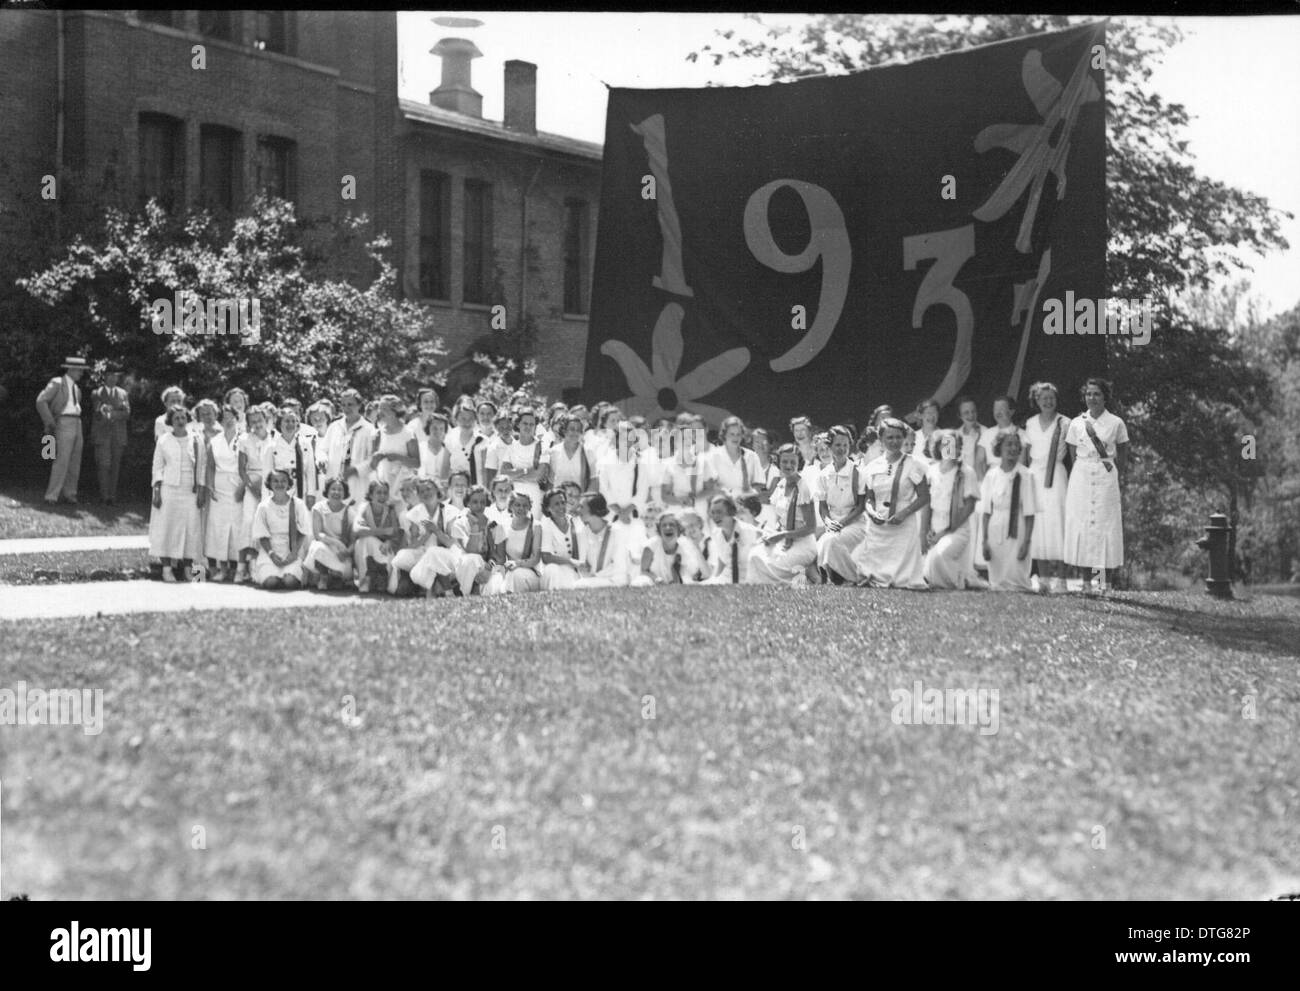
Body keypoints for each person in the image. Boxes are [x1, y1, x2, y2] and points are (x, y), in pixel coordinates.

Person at [1063, 377, 1129, 594]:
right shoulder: (1076, 423)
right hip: (1082, 477)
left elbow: (1123, 454)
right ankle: (1085, 583)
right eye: (1089, 394)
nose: (1092, 398)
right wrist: (1085, 470)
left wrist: (1107, 470)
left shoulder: (1116, 423)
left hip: (1105, 477)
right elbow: (1074, 455)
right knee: (1084, 527)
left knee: (1103, 528)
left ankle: (1102, 584)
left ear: (1105, 397)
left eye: (1097, 394)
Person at [851, 417, 930, 589]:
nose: (895, 442)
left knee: (903, 580)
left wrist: (904, 513)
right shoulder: (872, 466)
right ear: (881, 440)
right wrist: (872, 513)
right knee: (868, 571)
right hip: (878, 525)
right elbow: (869, 499)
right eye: (890, 438)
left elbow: (924, 496)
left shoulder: (914, 464)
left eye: (898, 437)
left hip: (903, 523)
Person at [1022, 381, 1072, 593]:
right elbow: (1025, 457)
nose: (1048, 402)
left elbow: (1072, 455)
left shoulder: (1066, 422)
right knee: (1038, 525)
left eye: (1051, 398)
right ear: (1037, 401)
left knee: (1058, 523)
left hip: (1057, 477)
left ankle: (1061, 579)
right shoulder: (1030, 423)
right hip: (1034, 477)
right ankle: (1042, 578)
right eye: (1043, 399)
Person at [149, 406, 206, 580]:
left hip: (191, 489)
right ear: (170, 422)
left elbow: (202, 466)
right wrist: (157, 491)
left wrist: (201, 489)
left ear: (187, 419)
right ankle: (167, 569)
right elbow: (157, 466)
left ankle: (190, 570)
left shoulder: (197, 439)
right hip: (169, 489)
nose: (180, 421)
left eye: (183, 418)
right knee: (167, 527)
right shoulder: (164, 440)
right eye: (176, 419)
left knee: (191, 529)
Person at [748, 444, 818, 585]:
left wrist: (782, 535)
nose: (788, 466)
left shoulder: (803, 488)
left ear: (799, 464)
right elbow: (780, 521)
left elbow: (811, 528)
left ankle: (805, 576)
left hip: (802, 544)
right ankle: (797, 575)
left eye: (793, 462)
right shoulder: (780, 485)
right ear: (779, 463)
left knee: (773, 566)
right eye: (784, 461)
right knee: (754, 555)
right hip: (783, 540)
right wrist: (772, 535)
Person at [920, 429, 980, 589]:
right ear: (939, 447)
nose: (951, 449)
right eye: (946, 445)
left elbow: (969, 506)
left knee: (938, 557)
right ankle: (950, 581)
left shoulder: (966, 472)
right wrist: (924, 532)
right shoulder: (931, 471)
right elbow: (926, 505)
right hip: (934, 528)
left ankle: (958, 583)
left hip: (957, 529)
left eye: (955, 445)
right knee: (924, 563)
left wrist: (945, 532)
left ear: (960, 448)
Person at [979, 431, 1038, 592]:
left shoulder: (1026, 475)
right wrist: (984, 541)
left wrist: (1026, 542)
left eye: (1015, 445)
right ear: (1000, 448)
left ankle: (1101, 582)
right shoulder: (991, 475)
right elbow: (985, 511)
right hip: (995, 527)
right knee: (997, 583)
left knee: (1017, 578)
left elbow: (1029, 513)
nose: (1012, 448)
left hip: (1017, 527)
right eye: (1008, 444)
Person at [816, 425, 869, 585]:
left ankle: (855, 577)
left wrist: (841, 523)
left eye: (845, 445)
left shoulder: (858, 472)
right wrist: (829, 522)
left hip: (855, 524)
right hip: (833, 524)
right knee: (824, 542)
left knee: (830, 541)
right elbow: (823, 506)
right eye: (838, 445)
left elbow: (860, 507)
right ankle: (841, 577)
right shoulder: (824, 475)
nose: (842, 449)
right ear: (830, 446)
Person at [35, 355, 89, 505]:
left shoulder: (77, 389)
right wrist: (50, 421)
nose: (81, 373)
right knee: (62, 459)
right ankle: (51, 496)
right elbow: (41, 401)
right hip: (63, 422)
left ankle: (70, 494)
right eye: (79, 370)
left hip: (77, 422)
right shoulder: (57, 382)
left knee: (75, 461)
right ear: (71, 369)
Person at [202, 404, 244, 582]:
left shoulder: (243, 439)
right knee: (219, 528)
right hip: (219, 488)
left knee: (236, 527)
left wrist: (242, 487)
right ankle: (222, 568)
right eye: (224, 416)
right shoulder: (215, 440)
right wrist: (210, 486)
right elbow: (210, 466)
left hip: (237, 487)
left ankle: (237, 569)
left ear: (237, 418)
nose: (228, 420)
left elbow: (246, 466)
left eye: (231, 416)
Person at [251, 469, 311, 589]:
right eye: (276, 481)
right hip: (270, 552)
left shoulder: (298, 504)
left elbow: (303, 531)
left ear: (289, 483)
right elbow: (261, 534)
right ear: (270, 484)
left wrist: (294, 554)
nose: (280, 484)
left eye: (283, 481)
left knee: (289, 582)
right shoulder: (263, 507)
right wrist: (272, 554)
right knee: (271, 583)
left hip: (292, 550)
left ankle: (297, 573)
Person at [387, 476, 444, 596]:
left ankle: (433, 584)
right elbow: (406, 539)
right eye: (402, 490)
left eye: (409, 489)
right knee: (400, 558)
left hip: (436, 553)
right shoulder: (404, 514)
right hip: (418, 552)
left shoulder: (433, 508)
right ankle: (410, 580)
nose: (404, 493)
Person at [235, 406, 272, 583]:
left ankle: (258, 567)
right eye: (253, 421)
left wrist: (267, 486)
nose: (257, 424)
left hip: (270, 483)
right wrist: (251, 486)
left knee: (265, 523)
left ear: (266, 420)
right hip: (251, 481)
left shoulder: (274, 438)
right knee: (248, 520)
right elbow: (241, 469)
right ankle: (241, 568)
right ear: (248, 423)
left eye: (260, 420)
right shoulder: (244, 439)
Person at [483, 493, 543, 595]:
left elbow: (535, 559)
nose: (521, 508)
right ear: (511, 506)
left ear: (529, 507)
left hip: (531, 571)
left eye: (525, 505)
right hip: (509, 569)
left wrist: (517, 563)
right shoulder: (503, 525)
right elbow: (501, 559)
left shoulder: (536, 526)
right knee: (494, 582)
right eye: (517, 505)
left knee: (516, 575)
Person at [323, 388, 376, 505]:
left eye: (350, 404)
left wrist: (356, 470)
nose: (346, 409)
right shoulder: (334, 427)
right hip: (334, 482)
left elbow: (373, 460)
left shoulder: (369, 429)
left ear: (359, 405)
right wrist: (322, 460)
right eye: (343, 405)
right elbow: (323, 450)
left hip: (357, 483)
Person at [302, 477, 355, 590]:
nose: (336, 492)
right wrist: (337, 542)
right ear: (327, 491)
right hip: (325, 546)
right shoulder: (319, 508)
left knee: (340, 579)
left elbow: (353, 541)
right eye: (333, 489)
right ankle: (323, 576)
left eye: (340, 489)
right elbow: (318, 535)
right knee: (317, 547)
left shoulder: (350, 512)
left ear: (344, 493)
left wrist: (346, 553)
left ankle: (336, 576)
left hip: (340, 554)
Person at [368, 395, 420, 510]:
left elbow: (416, 463)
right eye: (379, 409)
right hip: (384, 488)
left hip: (402, 487)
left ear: (395, 411)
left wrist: (398, 457)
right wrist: (375, 459)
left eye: (384, 409)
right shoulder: (378, 434)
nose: (380, 412)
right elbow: (372, 466)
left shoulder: (408, 433)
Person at [89, 363, 130, 505]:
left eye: (115, 376)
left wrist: (111, 413)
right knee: (104, 465)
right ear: (104, 377)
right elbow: (98, 412)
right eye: (110, 375)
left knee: (115, 466)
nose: (113, 378)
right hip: (102, 434)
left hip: (118, 435)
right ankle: (104, 496)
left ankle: (112, 496)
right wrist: (114, 412)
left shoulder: (123, 393)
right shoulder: (97, 393)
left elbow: (126, 413)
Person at [352, 480, 402, 594]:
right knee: (363, 541)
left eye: (385, 493)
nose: (382, 496)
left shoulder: (391, 510)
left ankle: (381, 578)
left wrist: (389, 541)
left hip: (384, 549)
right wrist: (384, 532)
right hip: (367, 548)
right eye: (378, 492)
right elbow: (357, 530)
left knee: (367, 538)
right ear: (370, 495)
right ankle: (364, 580)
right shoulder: (364, 507)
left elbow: (395, 534)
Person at [570, 493, 630, 589]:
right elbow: (583, 563)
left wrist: (595, 576)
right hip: (591, 579)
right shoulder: (582, 532)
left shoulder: (617, 531)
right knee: (578, 584)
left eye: (581, 507)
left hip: (614, 579)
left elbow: (619, 566)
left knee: (580, 585)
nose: (578, 510)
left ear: (593, 508)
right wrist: (584, 571)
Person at [701, 495, 763, 584]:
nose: (715, 516)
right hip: (726, 580)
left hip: (749, 581)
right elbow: (722, 560)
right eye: (713, 513)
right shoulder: (716, 533)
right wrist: (712, 580)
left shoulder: (748, 530)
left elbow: (768, 539)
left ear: (730, 512)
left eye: (719, 512)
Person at [499, 407, 549, 519]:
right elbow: (504, 473)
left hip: (535, 494)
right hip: (514, 494)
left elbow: (538, 475)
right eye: (525, 423)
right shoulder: (512, 447)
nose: (528, 427)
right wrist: (527, 471)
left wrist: (515, 475)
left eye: (532, 424)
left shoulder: (541, 446)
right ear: (518, 425)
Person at [267, 406, 318, 508]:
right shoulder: (272, 446)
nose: (290, 424)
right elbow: (267, 474)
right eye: (287, 421)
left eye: (293, 421)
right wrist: (267, 498)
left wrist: (311, 494)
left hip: (300, 490)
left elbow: (310, 471)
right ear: (279, 423)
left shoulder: (304, 444)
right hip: (279, 491)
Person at [450, 485, 497, 596]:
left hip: (486, 566)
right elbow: (471, 551)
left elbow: (496, 553)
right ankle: (465, 596)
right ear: (468, 504)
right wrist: (475, 527)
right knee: (472, 559)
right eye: (475, 502)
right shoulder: (459, 523)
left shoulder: (492, 524)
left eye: (482, 502)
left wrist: (489, 569)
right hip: (463, 567)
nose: (479, 506)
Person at [632, 513, 703, 586]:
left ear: (678, 530)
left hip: (674, 581)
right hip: (653, 580)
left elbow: (683, 573)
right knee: (641, 581)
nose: (668, 528)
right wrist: (657, 579)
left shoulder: (684, 547)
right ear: (659, 530)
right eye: (664, 525)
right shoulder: (651, 545)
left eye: (672, 525)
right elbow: (644, 570)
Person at [705, 416, 762, 501]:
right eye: (732, 434)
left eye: (738, 434)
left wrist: (747, 496)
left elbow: (758, 486)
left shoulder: (752, 456)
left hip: (743, 505)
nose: (735, 438)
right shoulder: (713, 456)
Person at [539, 489, 586, 591]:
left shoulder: (575, 521)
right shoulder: (546, 524)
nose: (561, 507)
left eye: (563, 503)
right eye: (556, 504)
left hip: (573, 570)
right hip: (552, 571)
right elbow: (546, 557)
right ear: (548, 508)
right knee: (553, 570)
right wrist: (572, 562)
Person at [446, 397, 487, 486]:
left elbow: (486, 471)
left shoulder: (483, 440)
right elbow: (445, 468)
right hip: (455, 487)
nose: (467, 422)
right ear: (456, 419)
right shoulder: (449, 438)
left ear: (476, 419)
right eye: (463, 418)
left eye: (470, 419)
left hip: (477, 490)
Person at [548, 414, 595, 494]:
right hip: (559, 502)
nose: (575, 433)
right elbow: (551, 481)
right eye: (572, 429)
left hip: (579, 500)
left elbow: (594, 480)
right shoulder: (553, 452)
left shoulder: (588, 452)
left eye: (578, 430)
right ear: (564, 430)